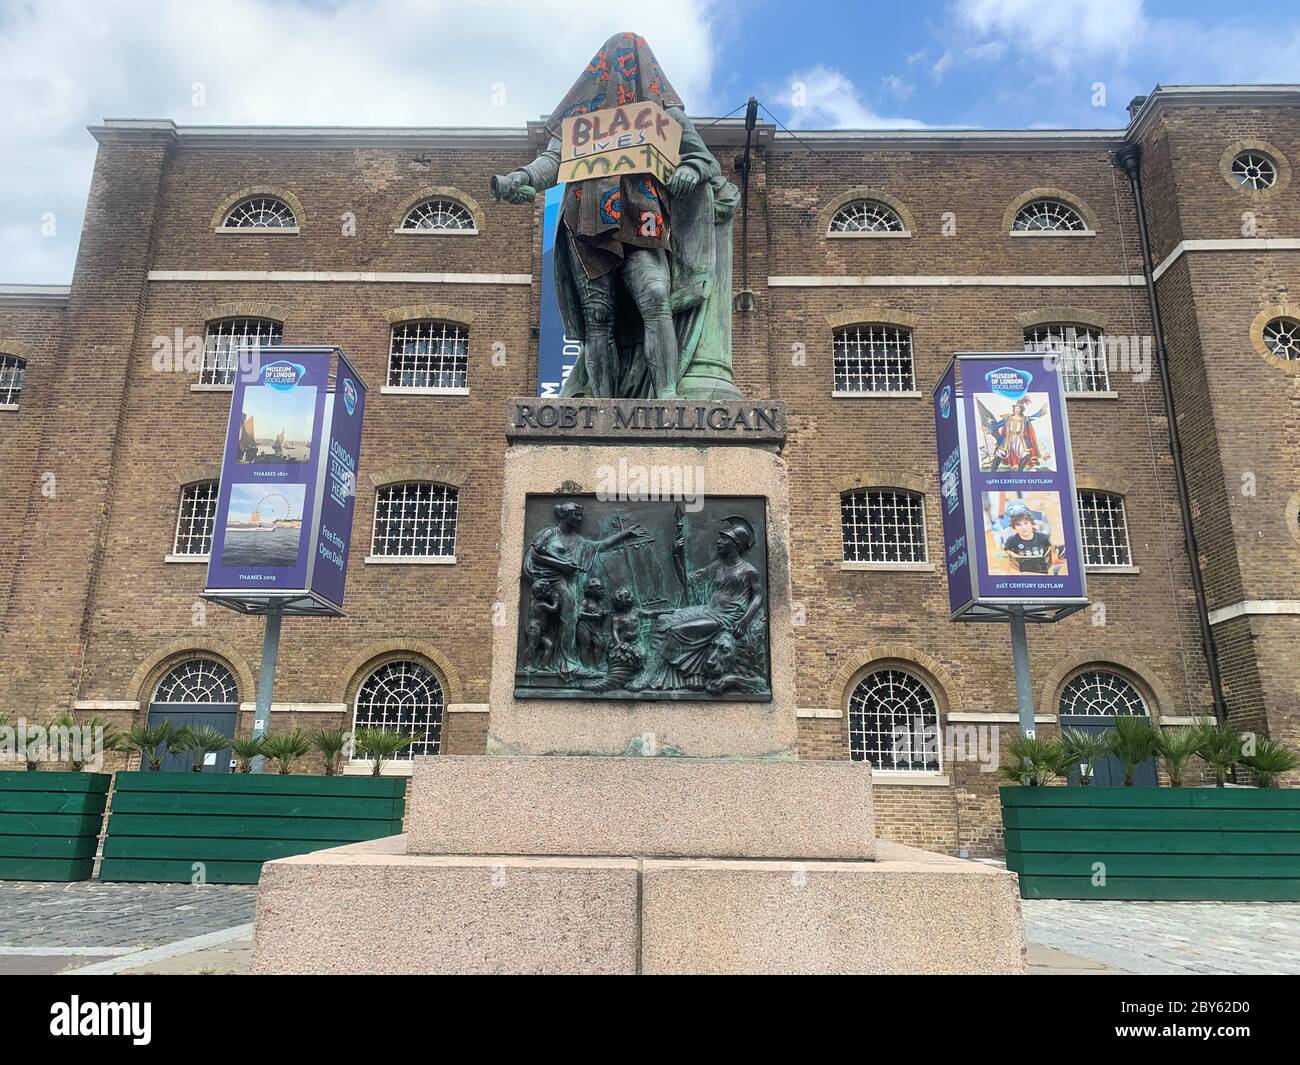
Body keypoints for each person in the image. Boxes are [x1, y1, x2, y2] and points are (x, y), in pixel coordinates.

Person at [491, 32, 740, 400]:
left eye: (630, 58)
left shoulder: (662, 114)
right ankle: (604, 407)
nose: (622, 67)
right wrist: (521, 179)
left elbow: (702, 157)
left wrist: (692, 170)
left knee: (656, 294)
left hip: (643, 216)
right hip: (587, 219)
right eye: (614, 59)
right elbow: (552, 162)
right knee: (598, 316)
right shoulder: (580, 119)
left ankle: (667, 397)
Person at [630, 516, 764, 692]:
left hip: (727, 618)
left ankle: (648, 676)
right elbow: (687, 580)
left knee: (677, 631)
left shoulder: (748, 570)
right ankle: (669, 674)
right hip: (708, 610)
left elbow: (758, 596)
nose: (718, 541)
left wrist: (744, 621)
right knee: (663, 620)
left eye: (724, 539)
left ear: (735, 544)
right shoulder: (718, 565)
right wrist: (676, 554)